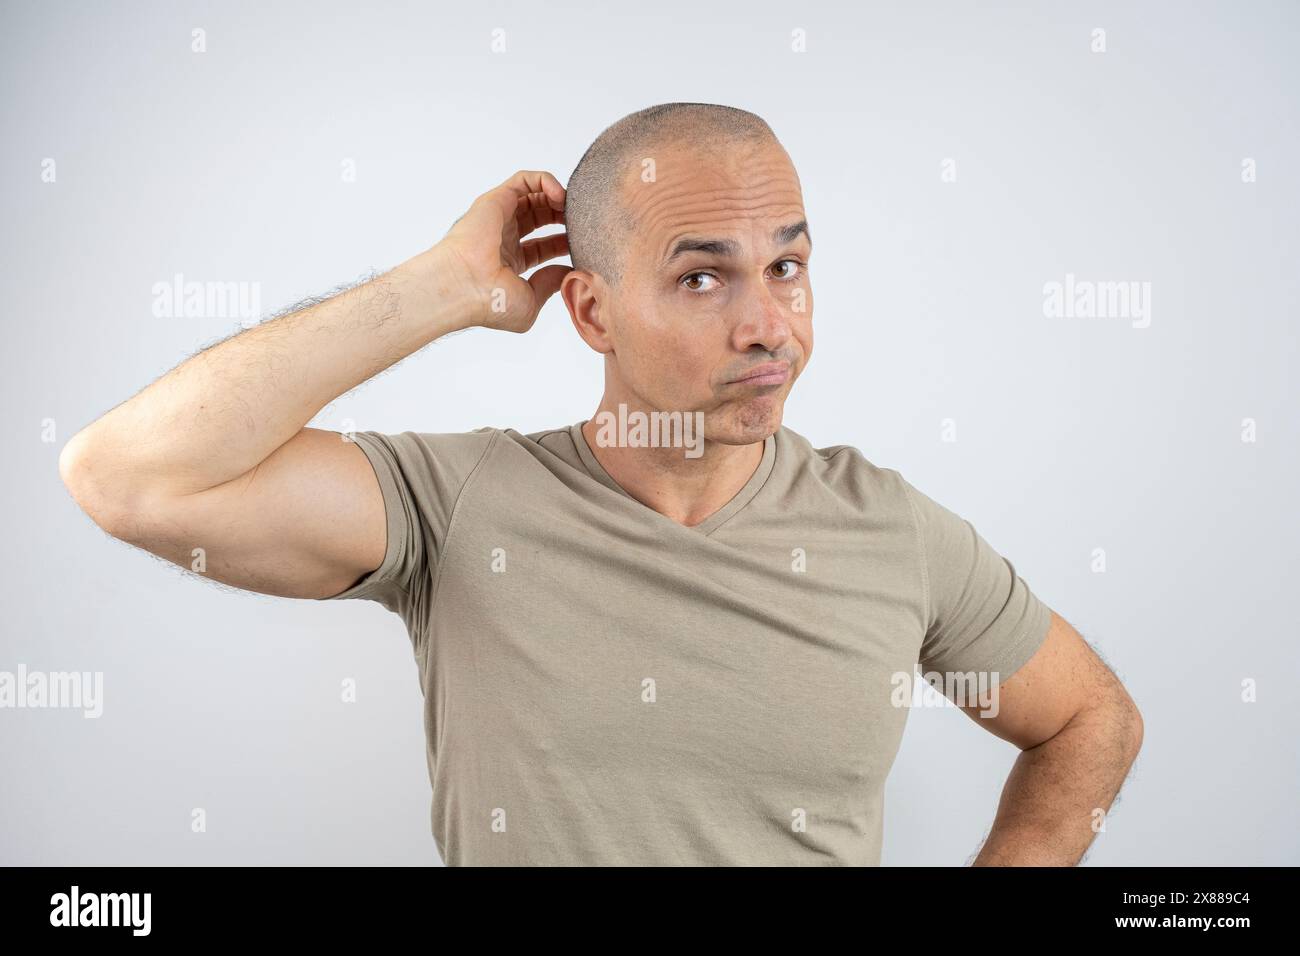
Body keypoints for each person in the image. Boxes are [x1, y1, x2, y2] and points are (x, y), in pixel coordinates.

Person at [58, 102, 1142, 866]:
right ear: (590, 312)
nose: (769, 324)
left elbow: (1090, 717)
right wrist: (442, 287)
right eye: (702, 275)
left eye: (788, 266)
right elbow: (128, 476)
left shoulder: (891, 530)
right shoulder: (458, 504)